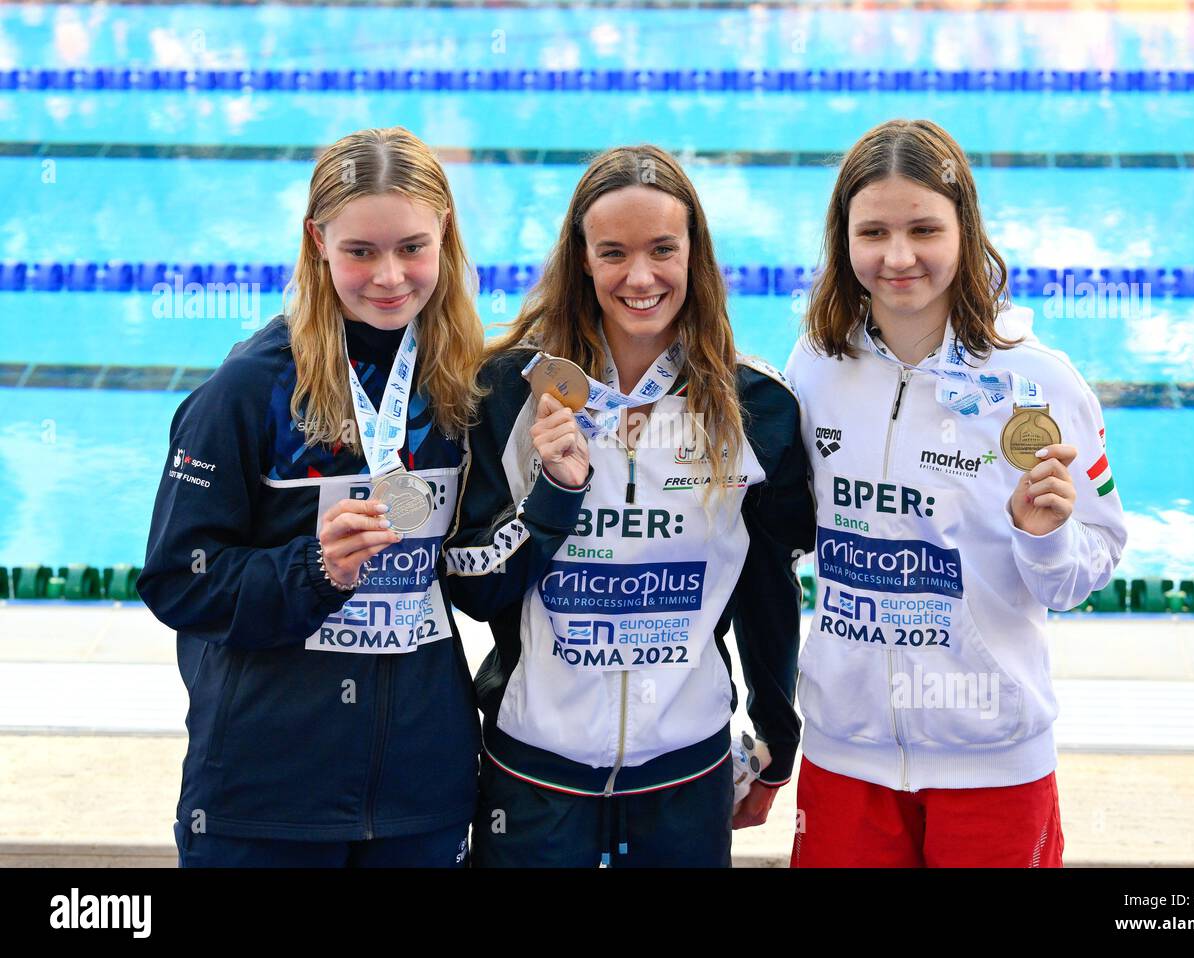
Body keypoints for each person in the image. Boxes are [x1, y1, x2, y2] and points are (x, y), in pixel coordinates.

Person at [443, 144, 813, 867]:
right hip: (534, 773)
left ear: (694, 254)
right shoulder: (508, 392)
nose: (639, 277)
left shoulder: (753, 407)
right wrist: (555, 492)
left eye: (662, 250)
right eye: (613, 252)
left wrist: (776, 736)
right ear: (581, 258)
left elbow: (767, 592)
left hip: (687, 773)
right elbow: (471, 586)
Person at [137, 126, 485, 867]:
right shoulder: (250, 388)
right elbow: (176, 576)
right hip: (266, 797)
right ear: (317, 241)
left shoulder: (460, 383)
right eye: (361, 251)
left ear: (445, 236)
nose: (390, 276)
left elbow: (483, 575)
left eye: (412, 247)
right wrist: (312, 569)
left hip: (421, 791)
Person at [784, 118, 1127, 868]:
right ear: (843, 239)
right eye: (873, 231)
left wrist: (1043, 538)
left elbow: (1087, 567)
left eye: (923, 230)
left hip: (994, 760)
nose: (898, 256)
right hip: (846, 756)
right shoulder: (814, 367)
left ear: (964, 231)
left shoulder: (1039, 385)